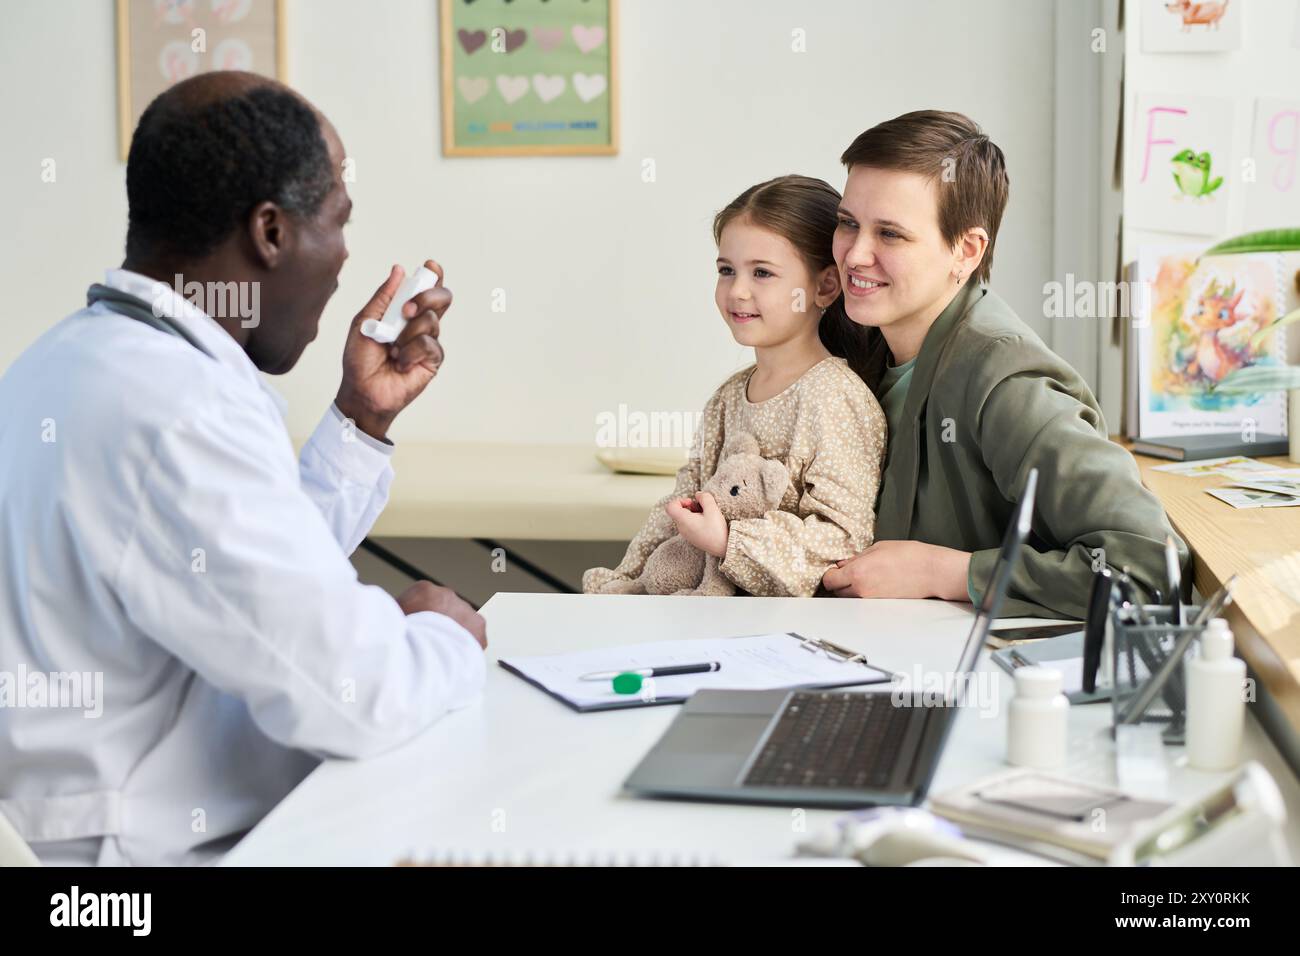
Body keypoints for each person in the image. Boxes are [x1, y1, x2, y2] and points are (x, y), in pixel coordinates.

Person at [0, 72, 486, 865]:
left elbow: (233, 578)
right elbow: (358, 697)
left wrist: (361, 421)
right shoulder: (174, 403)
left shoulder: (74, 362)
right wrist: (444, 633)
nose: (343, 258)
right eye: (337, 222)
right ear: (270, 231)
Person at [821, 111, 1187, 618]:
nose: (856, 255)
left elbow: (1148, 569)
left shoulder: (1004, 378)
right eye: (848, 223)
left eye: (890, 234)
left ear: (966, 251)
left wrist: (942, 572)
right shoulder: (857, 350)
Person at [585, 175, 886, 597]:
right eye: (726, 270)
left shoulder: (833, 399)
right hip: (706, 607)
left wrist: (729, 540)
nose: (737, 291)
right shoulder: (728, 397)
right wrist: (627, 580)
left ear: (824, 287)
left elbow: (845, 539)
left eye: (762, 273)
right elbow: (681, 503)